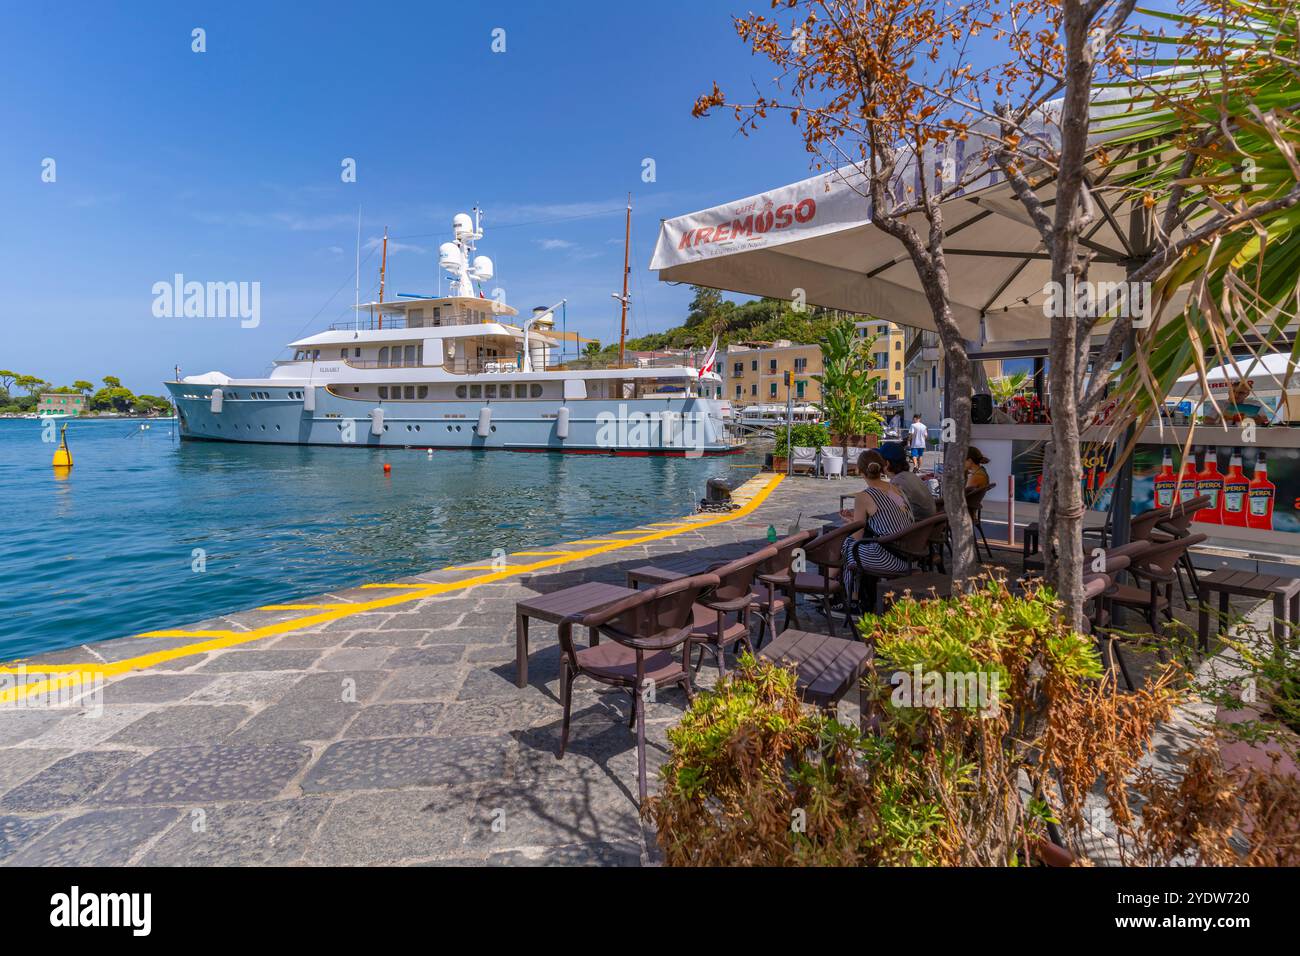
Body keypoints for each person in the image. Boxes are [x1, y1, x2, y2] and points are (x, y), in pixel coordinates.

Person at [839, 458, 914, 610]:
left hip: (889, 557)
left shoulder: (863, 496)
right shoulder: (894, 489)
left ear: (860, 471)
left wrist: (850, 524)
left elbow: (857, 535)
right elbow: (895, 513)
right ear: (883, 468)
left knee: (848, 545)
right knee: (855, 546)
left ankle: (853, 600)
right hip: (909, 555)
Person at [879, 442, 935, 520]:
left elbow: (894, 510)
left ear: (887, 463)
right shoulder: (910, 476)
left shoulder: (896, 483)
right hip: (928, 526)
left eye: (879, 460)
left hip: (915, 529)